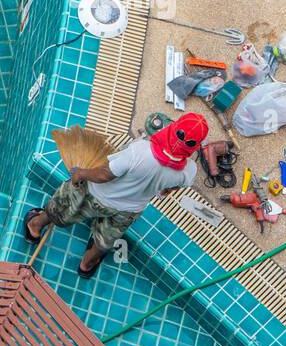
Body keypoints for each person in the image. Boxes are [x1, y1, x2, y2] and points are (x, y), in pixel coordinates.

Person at [24, 112, 209, 278]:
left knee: (60, 209)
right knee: (104, 240)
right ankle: (86, 265)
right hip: (128, 211)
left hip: (94, 195)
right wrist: (163, 188)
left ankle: (34, 227)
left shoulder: (139, 151)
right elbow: (174, 187)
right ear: (194, 147)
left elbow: (104, 175)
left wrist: (81, 174)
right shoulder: (188, 171)